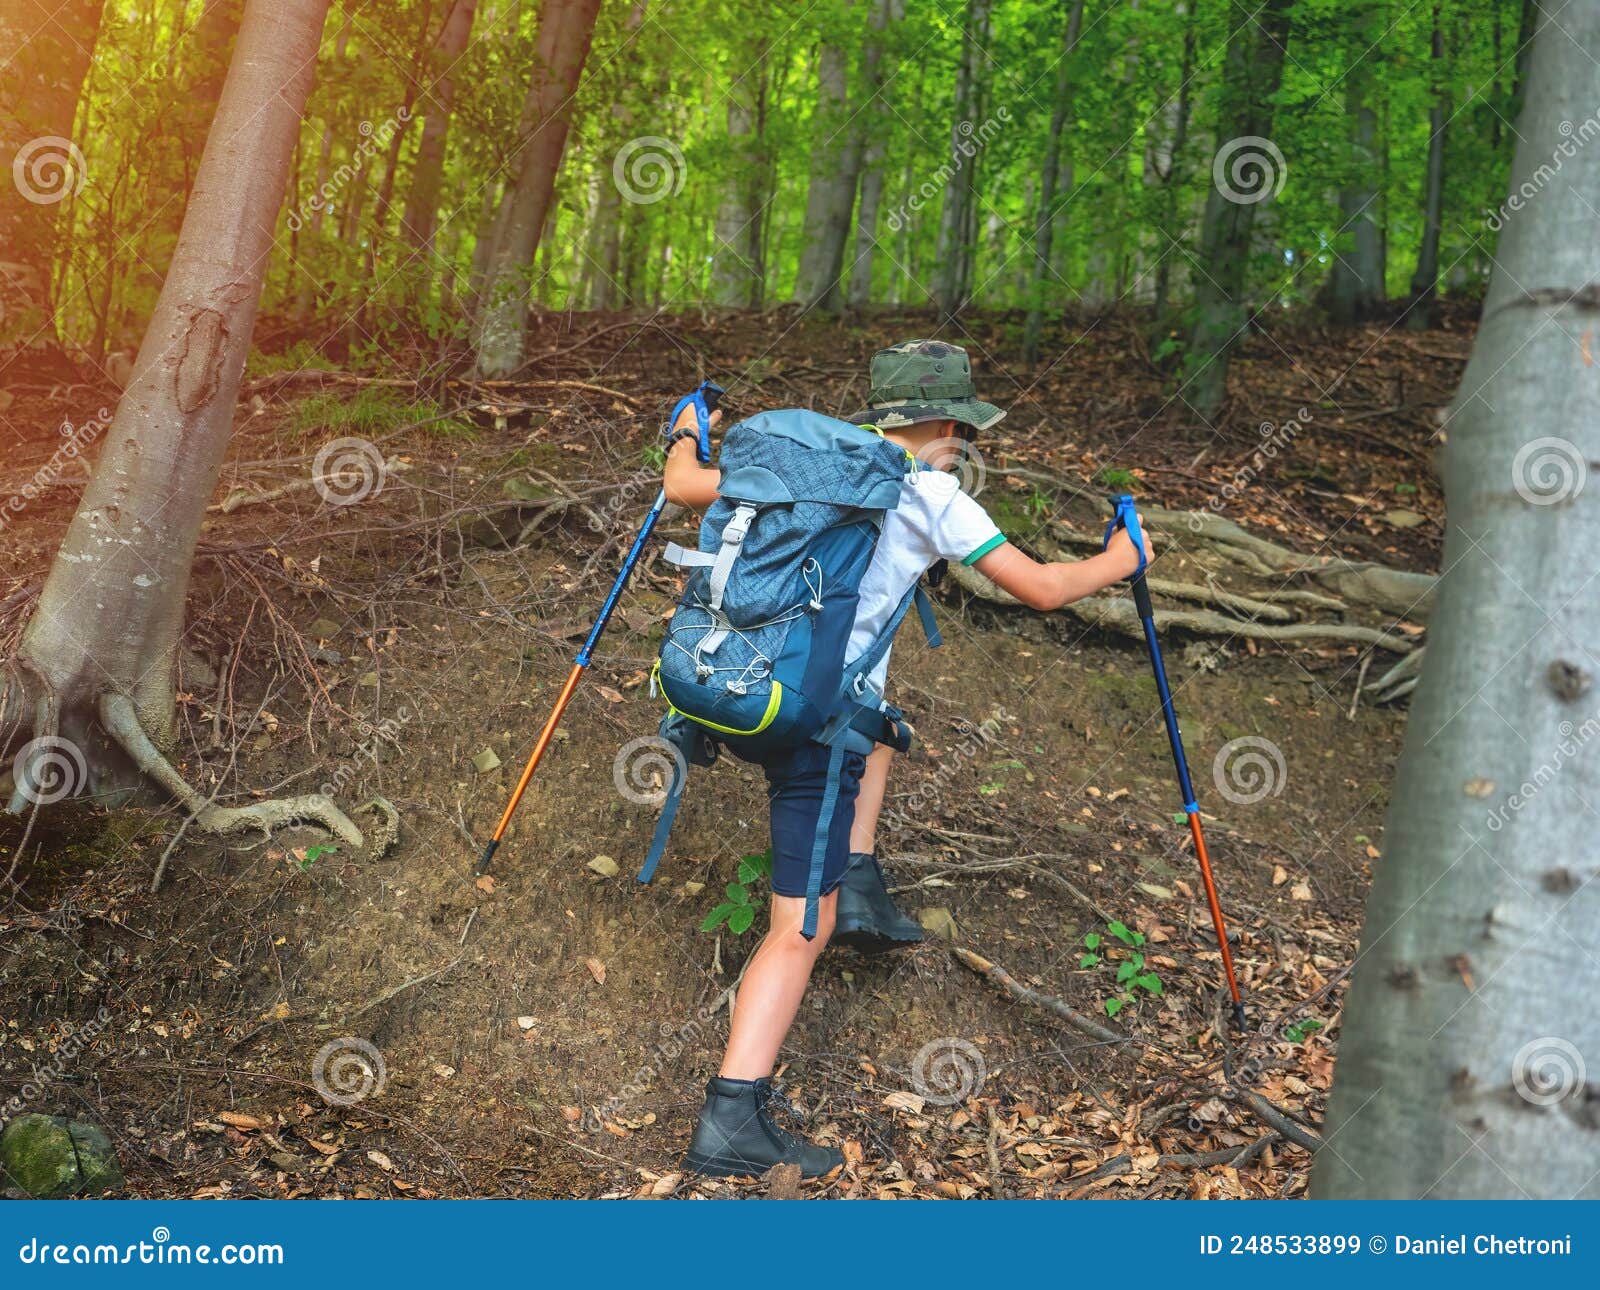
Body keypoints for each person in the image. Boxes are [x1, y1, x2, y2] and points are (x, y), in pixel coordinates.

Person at [659, 340, 1152, 1178]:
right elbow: (1038, 588)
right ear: (951, 425)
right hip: (807, 730)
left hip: (728, 688)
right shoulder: (931, 494)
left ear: (880, 415)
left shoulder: (803, 464)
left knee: (881, 720)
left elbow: (682, 484)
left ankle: (857, 880)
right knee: (793, 932)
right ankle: (730, 1120)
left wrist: (685, 429)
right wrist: (1124, 559)